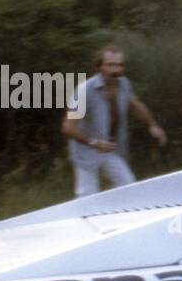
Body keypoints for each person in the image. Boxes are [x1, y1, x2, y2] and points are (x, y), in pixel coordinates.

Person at [61, 45, 166, 197]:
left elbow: (135, 105)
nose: (115, 70)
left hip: (109, 148)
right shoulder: (85, 90)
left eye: (119, 65)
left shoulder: (124, 84)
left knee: (128, 186)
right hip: (86, 150)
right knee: (88, 198)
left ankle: (111, 213)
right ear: (100, 67)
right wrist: (95, 143)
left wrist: (153, 125)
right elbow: (68, 127)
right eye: (110, 65)